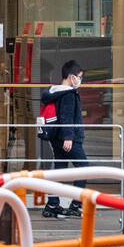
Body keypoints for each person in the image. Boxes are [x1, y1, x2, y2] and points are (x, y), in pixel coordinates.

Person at [41, 60, 89, 219]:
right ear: (71, 77)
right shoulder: (68, 94)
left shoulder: (54, 92)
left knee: (60, 170)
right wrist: (68, 137)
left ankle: (52, 205)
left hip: (56, 137)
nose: (80, 80)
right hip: (68, 139)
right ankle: (76, 204)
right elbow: (66, 117)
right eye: (79, 77)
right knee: (84, 167)